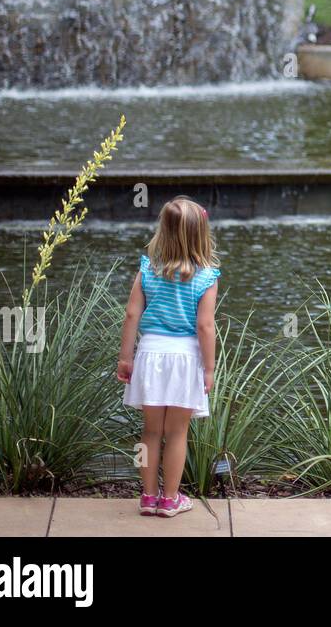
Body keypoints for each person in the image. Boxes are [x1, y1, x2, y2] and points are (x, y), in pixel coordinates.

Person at [116, 196, 220, 518]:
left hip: (149, 354)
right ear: (201, 235)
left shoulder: (148, 269)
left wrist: (125, 358)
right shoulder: (206, 276)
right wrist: (209, 368)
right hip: (185, 358)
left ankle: (147, 497)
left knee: (149, 433)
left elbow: (132, 314)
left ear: (163, 231)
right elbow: (205, 326)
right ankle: (170, 499)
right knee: (177, 433)